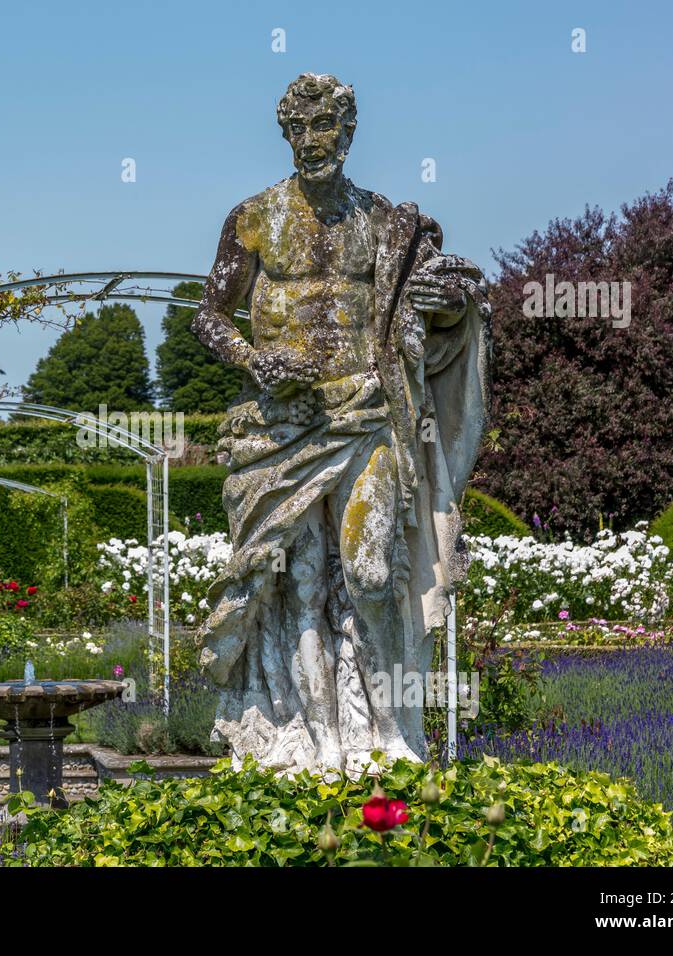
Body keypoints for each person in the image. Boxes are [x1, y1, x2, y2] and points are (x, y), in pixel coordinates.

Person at [190, 73, 490, 774]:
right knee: (292, 583)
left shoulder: (386, 225)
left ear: (349, 134)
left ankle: (389, 733)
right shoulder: (254, 218)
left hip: (365, 417)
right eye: (302, 128)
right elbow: (209, 316)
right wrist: (253, 359)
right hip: (279, 428)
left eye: (328, 127)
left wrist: (448, 301)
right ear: (286, 134)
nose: (315, 141)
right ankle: (311, 741)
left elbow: (442, 303)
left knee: (370, 571)